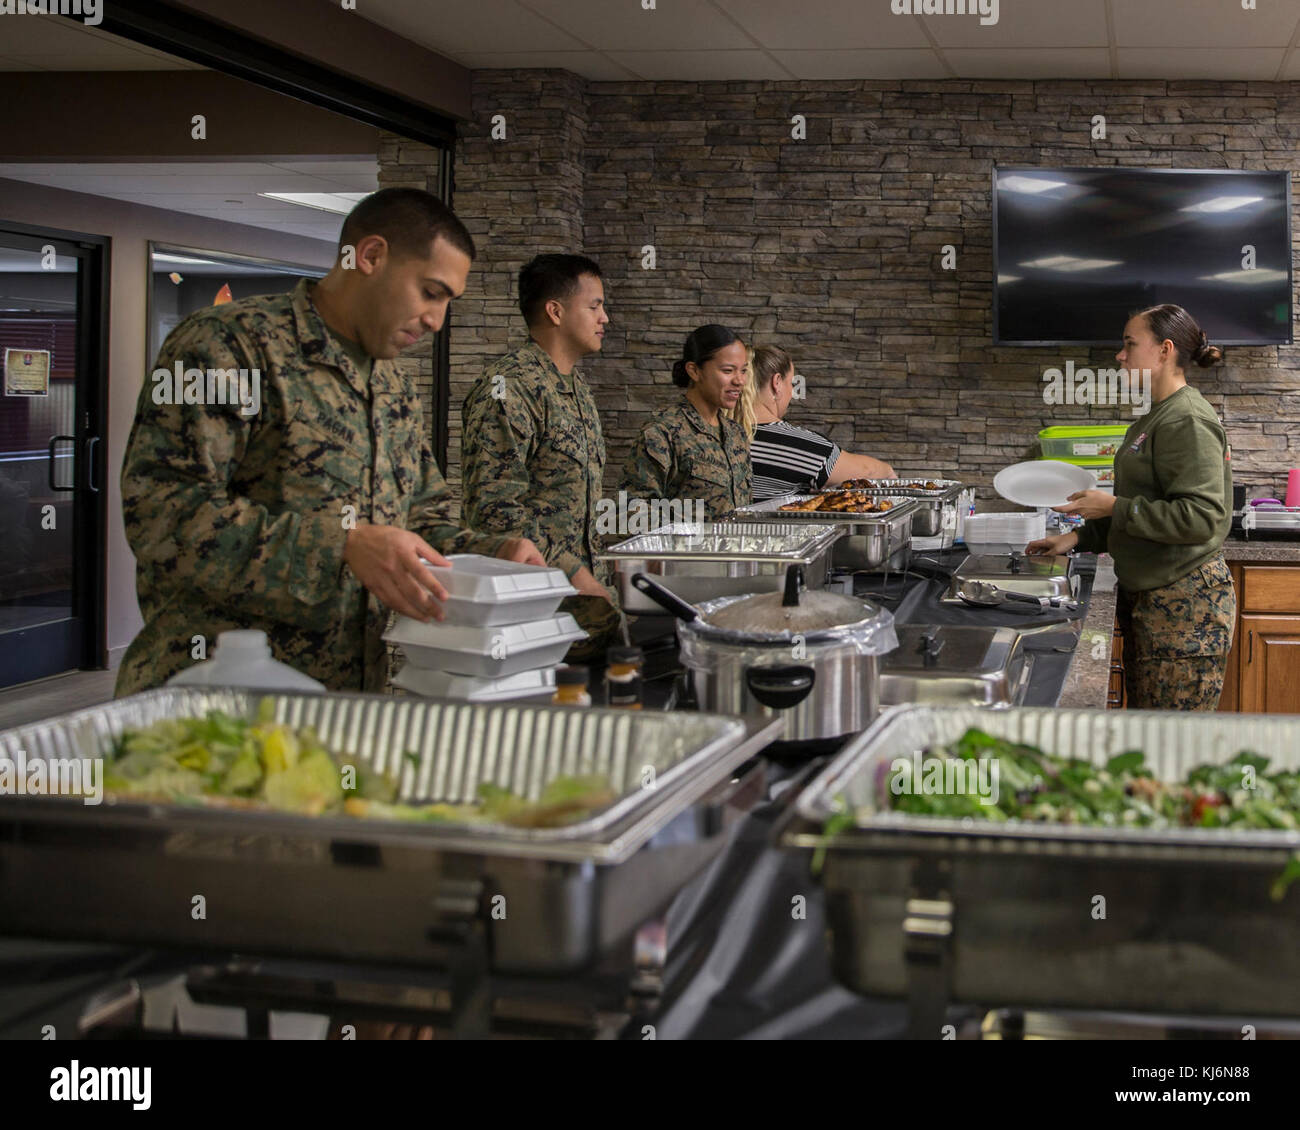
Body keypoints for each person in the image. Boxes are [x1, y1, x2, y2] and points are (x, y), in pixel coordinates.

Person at [116, 188, 544, 696]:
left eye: (448, 300)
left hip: (346, 701)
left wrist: (497, 553)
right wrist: (338, 546)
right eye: (431, 292)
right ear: (370, 256)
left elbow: (419, 523)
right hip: (218, 703)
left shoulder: (392, 384)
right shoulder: (230, 346)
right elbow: (162, 515)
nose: (436, 320)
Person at [1026, 304, 1235, 711]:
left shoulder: (1186, 419)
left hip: (1185, 609)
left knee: (1172, 749)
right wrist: (1075, 537)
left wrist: (1112, 505)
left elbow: (1201, 518)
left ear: (1164, 350)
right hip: (1153, 604)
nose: (1120, 356)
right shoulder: (1152, 419)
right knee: (1148, 736)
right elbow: (1139, 510)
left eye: (1129, 344)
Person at [459, 253, 620, 659]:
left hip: (581, 611)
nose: (606, 319)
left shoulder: (575, 386)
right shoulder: (510, 388)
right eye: (595, 306)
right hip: (533, 612)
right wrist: (572, 571)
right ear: (555, 311)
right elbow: (493, 514)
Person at [620, 324, 752, 521]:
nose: (739, 381)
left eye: (743, 371)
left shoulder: (736, 434)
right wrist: (691, 532)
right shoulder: (664, 432)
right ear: (694, 371)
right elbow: (630, 512)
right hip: (687, 551)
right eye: (728, 370)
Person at [742, 345, 897, 500]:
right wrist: (888, 471)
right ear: (776, 383)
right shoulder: (796, 445)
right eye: (791, 383)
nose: (792, 393)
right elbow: (867, 471)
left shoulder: (726, 433)